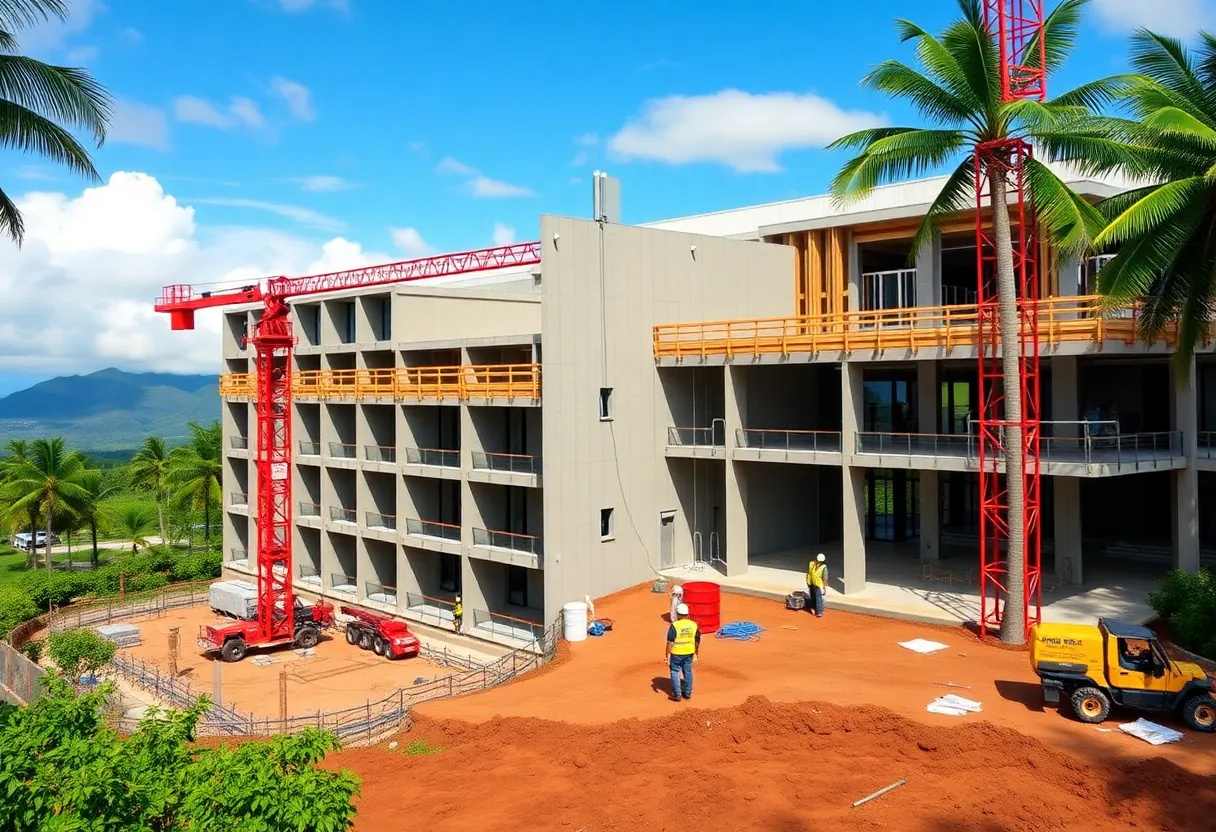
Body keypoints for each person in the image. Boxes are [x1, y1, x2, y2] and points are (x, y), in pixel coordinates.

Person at [665, 603, 700, 701]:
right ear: (687, 614)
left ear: (678, 614)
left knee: (675, 671)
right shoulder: (694, 625)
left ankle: (677, 694)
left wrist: (667, 655)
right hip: (689, 652)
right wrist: (696, 653)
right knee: (687, 671)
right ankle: (687, 693)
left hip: (676, 653)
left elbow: (670, 642)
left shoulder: (675, 625)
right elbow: (697, 640)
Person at [806, 553, 828, 618]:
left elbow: (809, 572)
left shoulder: (811, 563)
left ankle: (813, 608)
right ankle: (819, 612)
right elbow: (825, 577)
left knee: (813, 596)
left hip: (810, 582)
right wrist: (824, 587)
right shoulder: (824, 567)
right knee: (818, 597)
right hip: (818, 583)